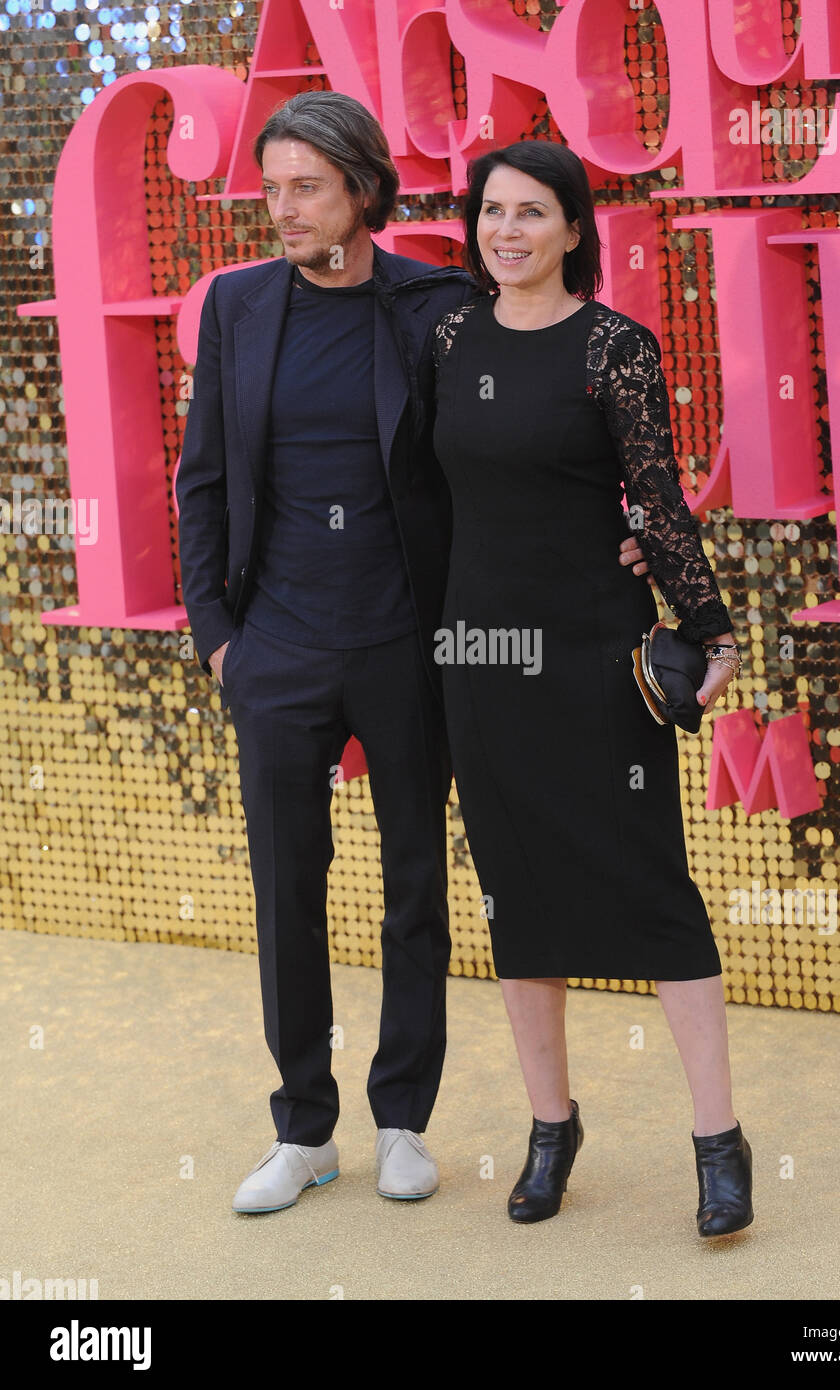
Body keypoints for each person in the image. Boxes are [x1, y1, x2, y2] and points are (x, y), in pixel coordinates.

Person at [431, 140, 752, 1236]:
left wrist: (708, 626)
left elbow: (655, 497)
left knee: (651, 885)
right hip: (479, 655)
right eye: (490, 212)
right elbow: (424, 497)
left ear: (575, 230)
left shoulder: (614, 347)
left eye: (531, 213)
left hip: (592, 654)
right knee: (517, 896)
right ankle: (550, 1127)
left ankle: (717, 1139)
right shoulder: (445, 337)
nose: (505, 230)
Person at [175, 90, 479, 1213]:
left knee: (413, 888)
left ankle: (403, 1117)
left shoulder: (433, 307)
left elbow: (491, 464)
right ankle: (304, 1128)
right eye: (271, 189)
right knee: (285, 890)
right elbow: (200, 479)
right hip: (278, 650)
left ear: (362, 189)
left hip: (406, 641)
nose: (282, 210)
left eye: (305, 187)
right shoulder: (240, 309)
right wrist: (220, 642)